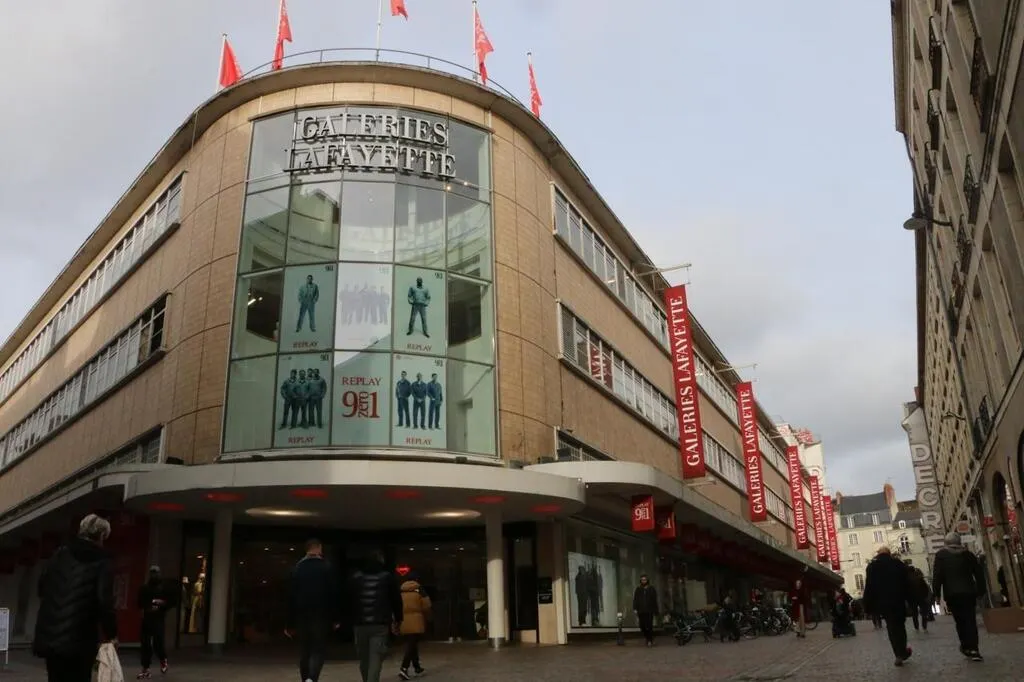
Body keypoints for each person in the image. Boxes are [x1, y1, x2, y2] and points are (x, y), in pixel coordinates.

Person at [33, 514, 118, 682]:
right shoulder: (101, 561)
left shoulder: (59, 554)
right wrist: (112, 634)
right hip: (80, 638)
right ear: (101, 536)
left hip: (52, 635)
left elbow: (41, 587)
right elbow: (104, 602)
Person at [285, 539, 339, 682]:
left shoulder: (297, 568)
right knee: (318, 649)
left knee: (305, 650)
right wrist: (335, 618)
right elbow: (333, 594)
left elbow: (290, 596)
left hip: (301, 615)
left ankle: (305, 678)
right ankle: (312, 678)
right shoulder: (327, 567)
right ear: (319, 549)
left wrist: (289, 622)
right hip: (321, 614)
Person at [348, 549, 403, 682]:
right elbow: (396, 600)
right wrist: (398, 619)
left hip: (360, 624)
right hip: (380, 624)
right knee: (376, 658)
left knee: (364, 659)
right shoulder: (387, 577)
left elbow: (349, 600)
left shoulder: (355, 578)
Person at [932, 531, 985, 662]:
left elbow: (937, 576)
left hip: (952, 594)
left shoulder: (941, 556)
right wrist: (981, 591)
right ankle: (974, 649)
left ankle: (966, 646)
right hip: (968, 593)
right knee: (970, 620)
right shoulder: (968, 554)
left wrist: (937, 595)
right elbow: (979, 574)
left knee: (960, 621)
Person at [863, 546, 913, 666]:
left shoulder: (872, 567)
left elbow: (869, 587)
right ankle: (903, 650)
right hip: (898, 600)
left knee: (891, 627)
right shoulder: (898, 564)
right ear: (889, 554)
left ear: (878, 554)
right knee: (900, 626)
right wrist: (909, 599)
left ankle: (898, 654)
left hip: (883, 602)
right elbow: (907, 583)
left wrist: (867, 605)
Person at [136, 566, 171, 679]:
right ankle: (145, 668)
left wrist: (161, 604)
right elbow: (140, 603)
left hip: (158, 619)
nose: (154, 575)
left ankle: (163, 659)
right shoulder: (144, 588)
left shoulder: (163, 588)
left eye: (156, 573)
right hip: (147, 618)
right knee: (145, 643)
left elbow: (169, 603)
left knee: (158, 642)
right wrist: (151, 603)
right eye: (152, 573)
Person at [398, 572, 432, 679]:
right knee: (411, 645)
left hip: (403, 620)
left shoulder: (401, 591)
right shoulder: (419, 590)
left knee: (411, 644)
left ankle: (417, 667)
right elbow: (427, 605)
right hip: (416, 620)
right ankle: (404, 668)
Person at [632, 574, 659, 646]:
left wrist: (656, 610)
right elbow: (635, 599)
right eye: (642, 580)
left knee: (649, 625)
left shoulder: (651, 589)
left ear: (647, 580)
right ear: (640, 581)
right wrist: (635, 608)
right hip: (641, 610)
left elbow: (654, 600)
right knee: (642, 625)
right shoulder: (638, 589)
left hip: (649, 610)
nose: (643, 581)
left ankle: (650, 639)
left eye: (645, 580)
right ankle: (647, 637)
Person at [908, 566, 931, 632]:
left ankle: (916, 627)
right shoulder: (919, 577)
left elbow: (906, 590)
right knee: (924, 612)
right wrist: (925, 596)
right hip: (921, 597)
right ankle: (924, 626)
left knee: (914, 614)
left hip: (912, 598)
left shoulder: (907, 579)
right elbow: (925, 588)